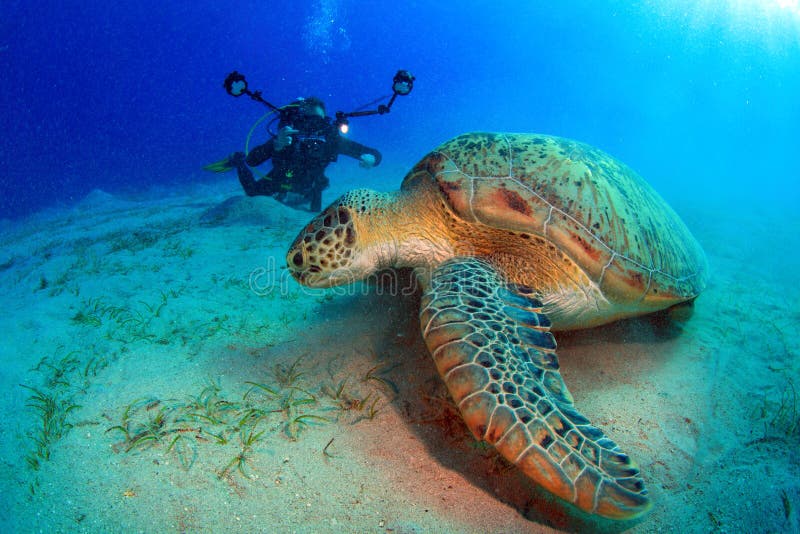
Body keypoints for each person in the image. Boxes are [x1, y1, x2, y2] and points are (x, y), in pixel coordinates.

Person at [216, 96, 382, 212]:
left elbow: (373, 153)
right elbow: (252, 161)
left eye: (317, 121)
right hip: (280, 178)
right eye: (306, 120)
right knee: (251, 192)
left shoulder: (331, 139)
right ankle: (237, 161)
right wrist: (275, 145)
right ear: (298, 120)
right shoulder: (288, 136)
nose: (311, 127)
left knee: (310, 196)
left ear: (325, 121)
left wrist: (371, 159)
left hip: (310, 185)